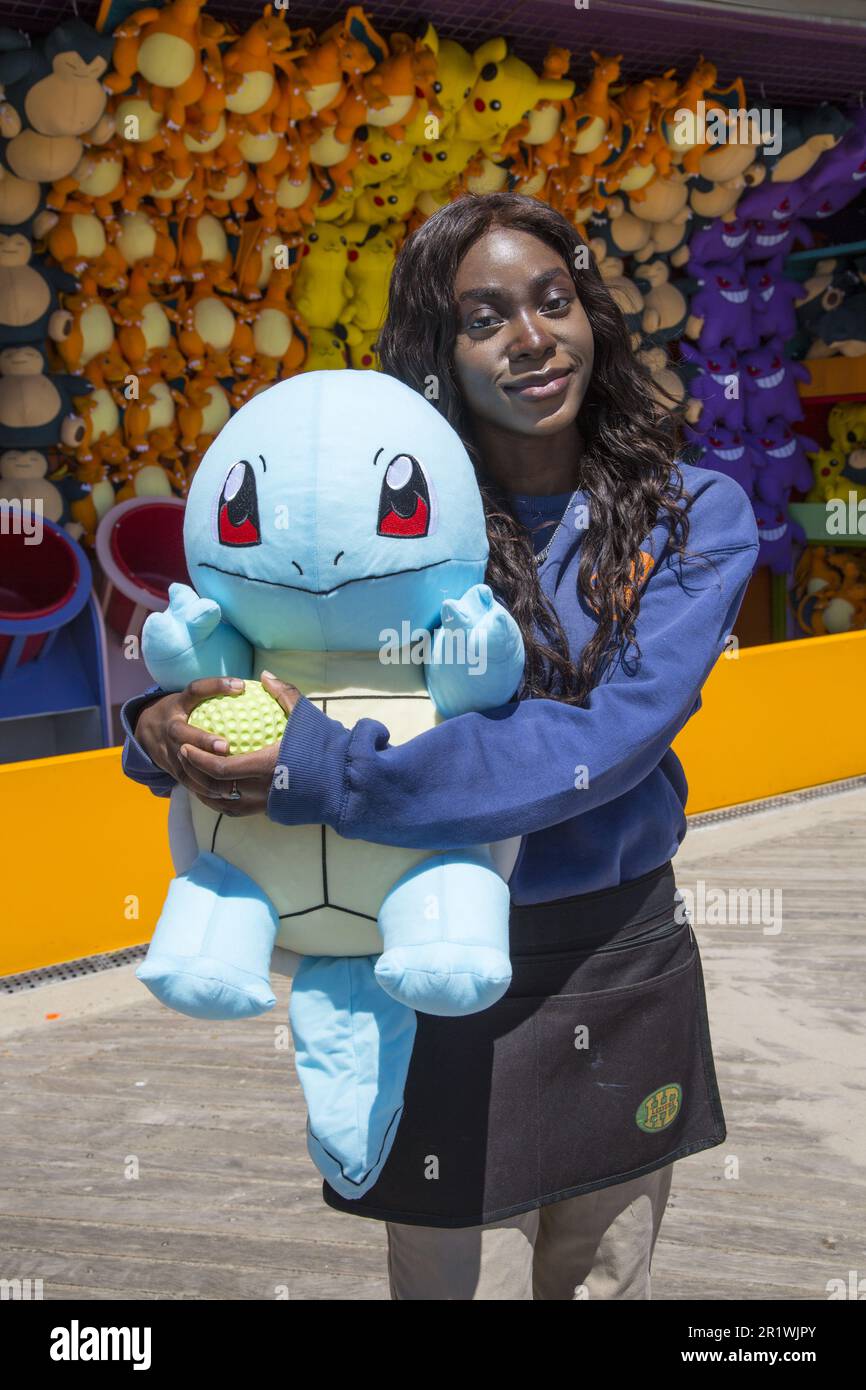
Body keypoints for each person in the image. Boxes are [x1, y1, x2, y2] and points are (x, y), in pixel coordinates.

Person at [120, 192, 759, 1300]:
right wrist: (162, 725)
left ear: (588, 313)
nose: (530, 338)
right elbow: (272, 657)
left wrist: (333, 772)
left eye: (552, 301)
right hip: (419, 958)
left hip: (608, 959)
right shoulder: (387, 525)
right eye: (484, 317)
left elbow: (599, 742)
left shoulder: (692, 517)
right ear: (433, 354)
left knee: (600, 1278)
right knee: (438, 1281)